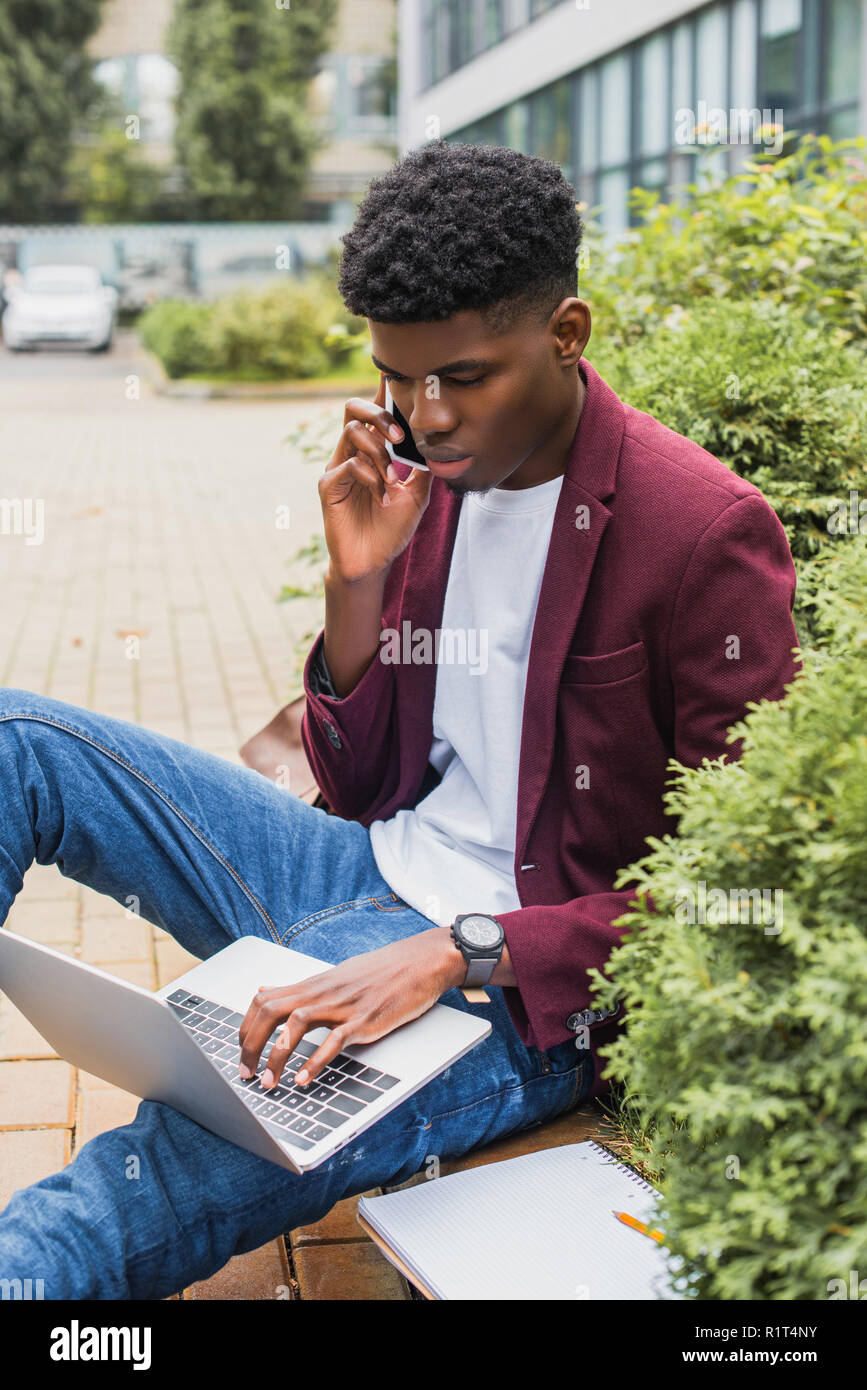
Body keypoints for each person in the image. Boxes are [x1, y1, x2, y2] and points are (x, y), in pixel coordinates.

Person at [0, 142, 800, 1299]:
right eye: (398, 380)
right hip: (357, 864)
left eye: (463, 377)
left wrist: (455, 951)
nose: (427, 416)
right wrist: (356, 589)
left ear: (567, 333)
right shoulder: (426, 482)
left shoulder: (704, 531)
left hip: (516, 994)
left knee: (151, 1175)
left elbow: (737, 889)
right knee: (23, 742)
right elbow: (366, 782)